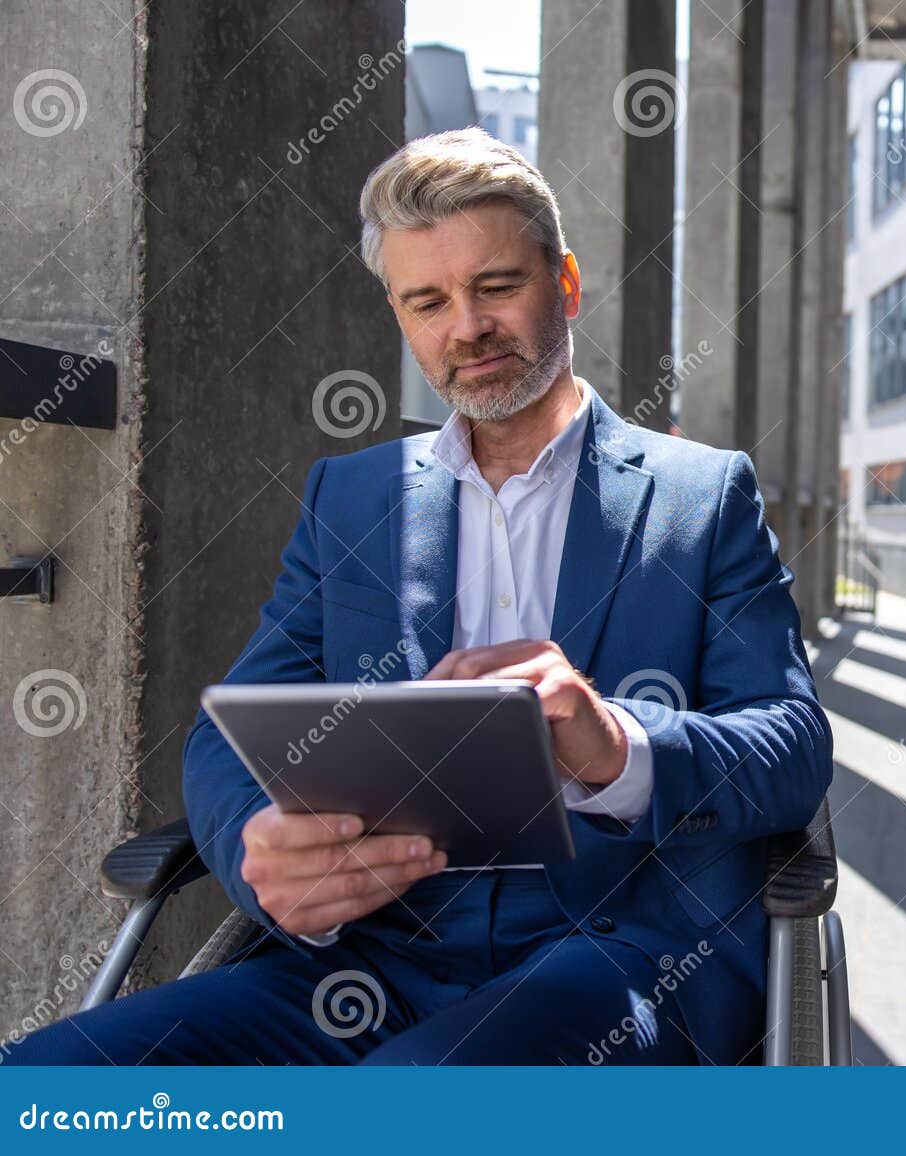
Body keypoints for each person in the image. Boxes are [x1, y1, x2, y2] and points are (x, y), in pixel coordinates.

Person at [9, 127, 832, 1066]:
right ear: (401, 317)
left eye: (496, 287)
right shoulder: (350, 499)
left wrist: (617, 744)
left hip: (618, 956)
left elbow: (794, 746)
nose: (465, 328)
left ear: (563, 284)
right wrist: (256, 848)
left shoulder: (701, 495)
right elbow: (222, 738)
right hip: (369, 955)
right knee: (46, 1082)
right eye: (427, 301)